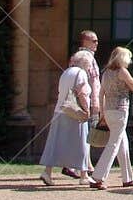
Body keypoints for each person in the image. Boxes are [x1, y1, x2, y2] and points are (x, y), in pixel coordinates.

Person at [40, 49, 96, 186]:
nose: (90, 68)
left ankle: (47, 172)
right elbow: (82, 93)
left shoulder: (66, 72)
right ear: (85, 63)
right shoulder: (81, 73)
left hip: (60, 111)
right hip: (75, 112)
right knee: (82, 143)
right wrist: (86, 110)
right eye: (89, 65)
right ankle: (84, 175)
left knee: (55, 143)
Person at [91, 46, 133, 189]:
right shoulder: (122, 71)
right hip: (120, 110)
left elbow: (101, 94)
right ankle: (98, 177)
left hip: (108, 110)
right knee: (113, 144)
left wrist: (102, 113)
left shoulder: (106, 72)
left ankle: (128, 178)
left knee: (122, 144)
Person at [62, 30, 102, 177]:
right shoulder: (86, 58)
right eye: (94, 40)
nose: (97, 43)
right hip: (86, 101)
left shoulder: (76, 57)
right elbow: (92, 80)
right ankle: (83, 167)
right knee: (86, 134)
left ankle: (82, 165)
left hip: (79, 100)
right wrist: (95, 103)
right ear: (85, 41)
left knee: (81, 134)